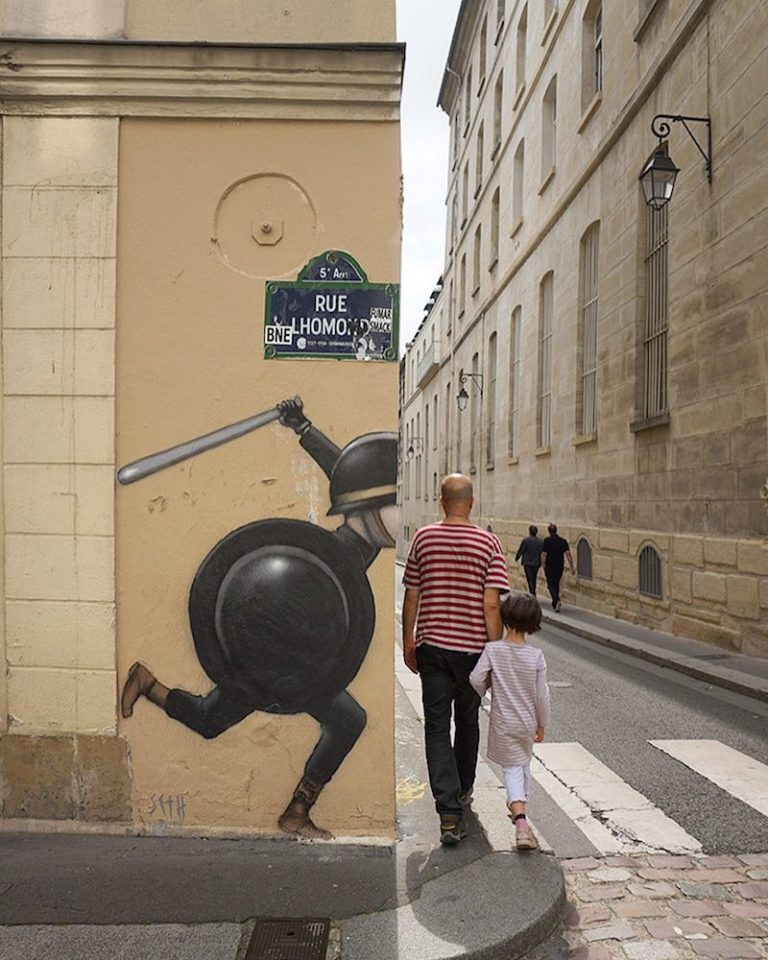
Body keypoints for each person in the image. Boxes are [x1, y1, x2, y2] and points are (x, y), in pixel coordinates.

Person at [120, 397, 397, 841]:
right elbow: (349, 476)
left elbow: (343, 472)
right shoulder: (339, 554)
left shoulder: (354, 545)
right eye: (397, 502)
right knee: (221, 721)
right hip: (268, 655)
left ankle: (148, 684)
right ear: (368, 503)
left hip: (294, 664)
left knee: (215, 720)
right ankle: (148, 685)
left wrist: (304, 429)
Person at [402, 474, 509, 846]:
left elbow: (412, 595)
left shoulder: (423, 538)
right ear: (472, 502)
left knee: (435, 726)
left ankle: (448, 814)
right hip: (473, 651)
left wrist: (408, 642)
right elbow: (492, 603)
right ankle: (463, 790)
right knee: (467, 722)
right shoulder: (488, 542)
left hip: (433, 647)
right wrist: (496, 654)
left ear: (441, 501)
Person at [469, 592, 550, 851]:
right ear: (533, 623)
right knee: (522, 765)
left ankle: (519, 816)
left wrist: (488, 688)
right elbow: (542, 695)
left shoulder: (493, 650)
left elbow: (475, 678)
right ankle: (520, 816)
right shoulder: (536, 656)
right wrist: (542, 723)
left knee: (514, 769)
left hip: (503, 723)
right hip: (526, 723)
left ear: (504, 618)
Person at [541, 523, 574, 611]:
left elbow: (544, 554)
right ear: (556, 530)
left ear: (549, 531)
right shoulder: (563, 541)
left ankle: (556, 600)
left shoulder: (547, 541)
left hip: (550, 565)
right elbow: (568, 554)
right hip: (559, 565)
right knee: (556, 583)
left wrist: (543, 565)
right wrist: (572, 567)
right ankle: (555, 603)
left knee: (550, 585)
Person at [515, 525, 543, 595]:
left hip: (528, 562)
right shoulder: (540, 542)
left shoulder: (526, 540)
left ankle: (532, 592)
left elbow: (521, 550)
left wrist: (517, 557)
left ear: (529, 532)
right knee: (534, 578)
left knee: (530, 578)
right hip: (536, 562)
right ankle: (533, 590)